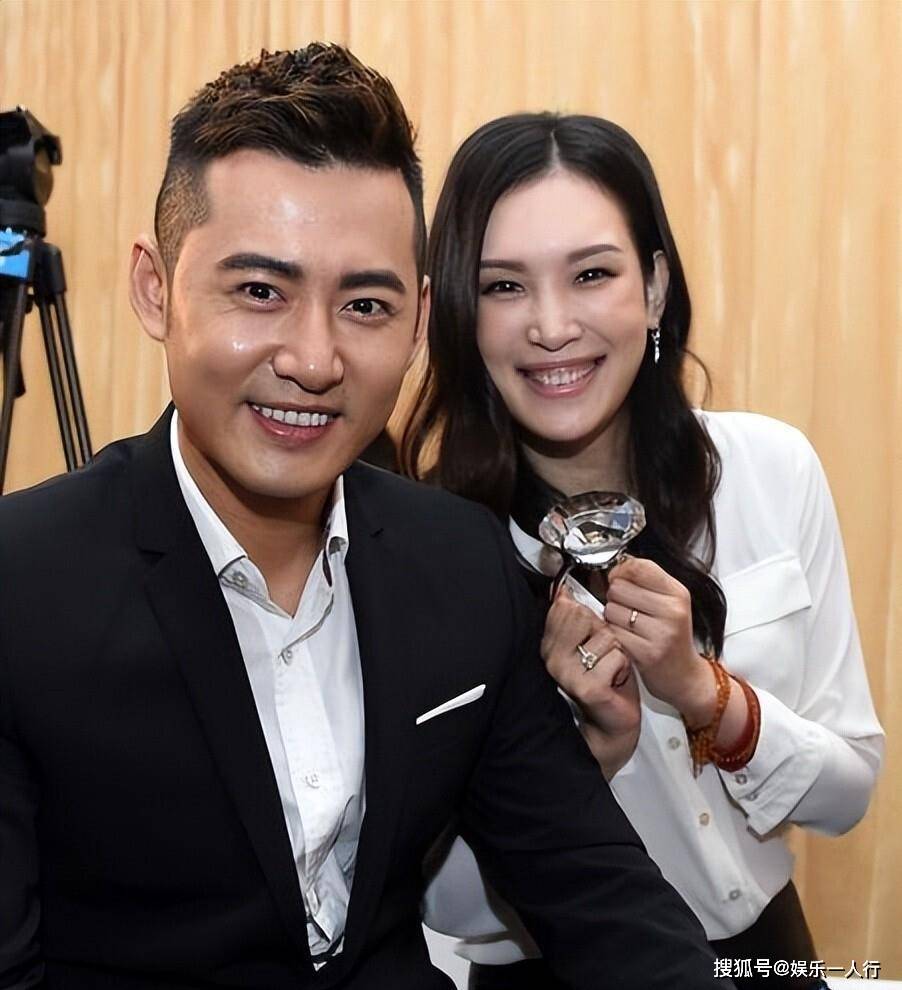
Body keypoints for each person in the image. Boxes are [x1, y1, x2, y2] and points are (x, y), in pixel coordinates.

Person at [0, 48, 734, 990]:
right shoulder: (22, 585)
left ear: (420, 319)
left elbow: (599, 893)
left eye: (364, 304)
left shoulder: (462, 562)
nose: (314, 360)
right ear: (156, 287)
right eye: (259, 291)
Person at [406, 113, 884, 989]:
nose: (552, 325)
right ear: (461, 314)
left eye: (592, 274)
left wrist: (705, 695)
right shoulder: (428, 547)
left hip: (773, 960)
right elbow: (445, 905)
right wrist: (590, 758)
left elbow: (849, 794)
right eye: (505, 286)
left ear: (655, 287)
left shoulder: (771, 470)